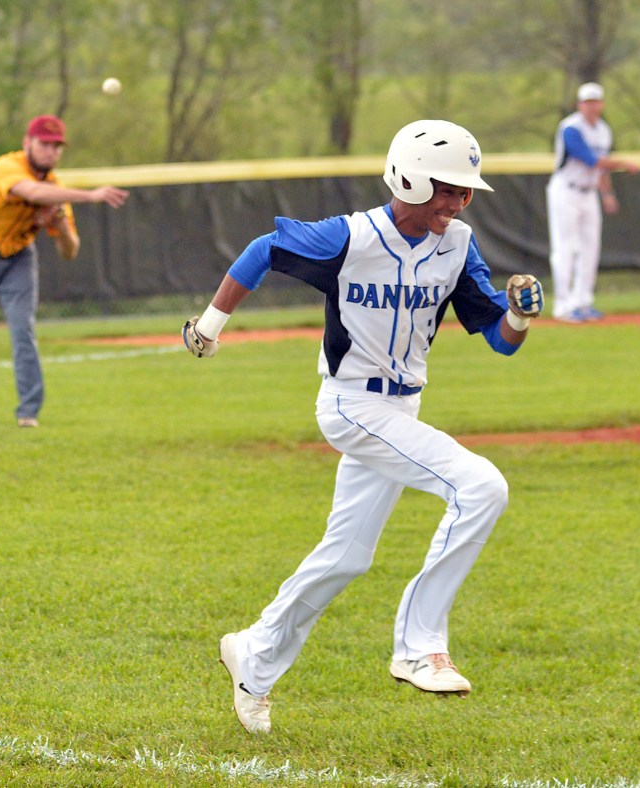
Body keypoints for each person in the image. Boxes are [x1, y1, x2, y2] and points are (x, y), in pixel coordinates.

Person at [181, 119, 545, 734]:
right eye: (448, 188)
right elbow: (262, 250)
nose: (458, 201)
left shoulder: (457, 244)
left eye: (464, 192)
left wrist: (518, 314)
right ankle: (418, 647)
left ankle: (255, 654)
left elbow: (499, 340)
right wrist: (209, 327)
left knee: (347, 556)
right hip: (352, 405)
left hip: (402, 409)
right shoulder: (351, 237)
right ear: (407, 176)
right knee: (481, 486)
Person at [0, 115, 129, 427]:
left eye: (57, 146)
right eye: (44, 144)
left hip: (17, 258)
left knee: (22, 328)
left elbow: (70, 251)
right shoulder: (6, 168)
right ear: (27, 143)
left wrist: (60, 223)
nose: (50, 151)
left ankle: (28, 413)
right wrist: (91, 196)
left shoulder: (56, 189)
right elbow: (33, 193)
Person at [546, 82, 639, 323]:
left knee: (590, 248)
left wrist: (607, 195)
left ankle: (583, 302)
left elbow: (600, 169)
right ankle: (563, 306)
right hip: (566, 192)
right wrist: (624, 164)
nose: (592, 106)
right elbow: (591, 161)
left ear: (602, 104)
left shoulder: (603, 130)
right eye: (587, 102)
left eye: (595, 101)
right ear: (580, 105)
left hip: (589, 194)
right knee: (566, 248)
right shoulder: (570, 128)